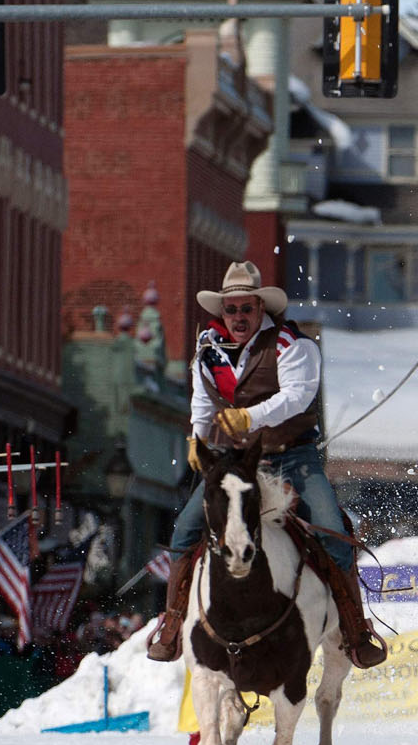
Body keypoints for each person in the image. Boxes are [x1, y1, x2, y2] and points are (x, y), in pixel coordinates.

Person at [146, 261, 386, 668]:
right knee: (186, 530)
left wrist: (249, 417)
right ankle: (172, 625)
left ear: (262, 309)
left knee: (330, 528)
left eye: (246, 309)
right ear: (222, 312)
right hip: (236, 461)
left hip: (293, 456)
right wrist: (197, 436)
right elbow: (203, 399)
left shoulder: (293, 345)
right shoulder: (209, 348)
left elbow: (296, 396)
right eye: (231, 309)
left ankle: (355, 629)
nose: (238, 317)